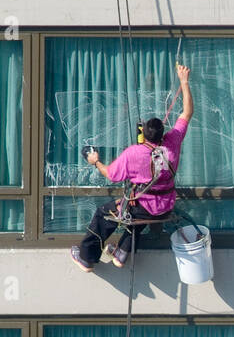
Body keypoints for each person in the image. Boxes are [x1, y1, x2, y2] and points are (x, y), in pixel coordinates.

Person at [70, 62, 193, 271]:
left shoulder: (134, 153)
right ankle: (121, 253)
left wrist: (96, 161)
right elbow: (187, 113)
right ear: (163, 133)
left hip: (144, 207)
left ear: (143, 133)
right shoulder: (173, 141)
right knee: (135, 209)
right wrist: (184, 81)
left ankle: (86, 258)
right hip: (165, 205)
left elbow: (110, 174)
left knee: (105, 213)